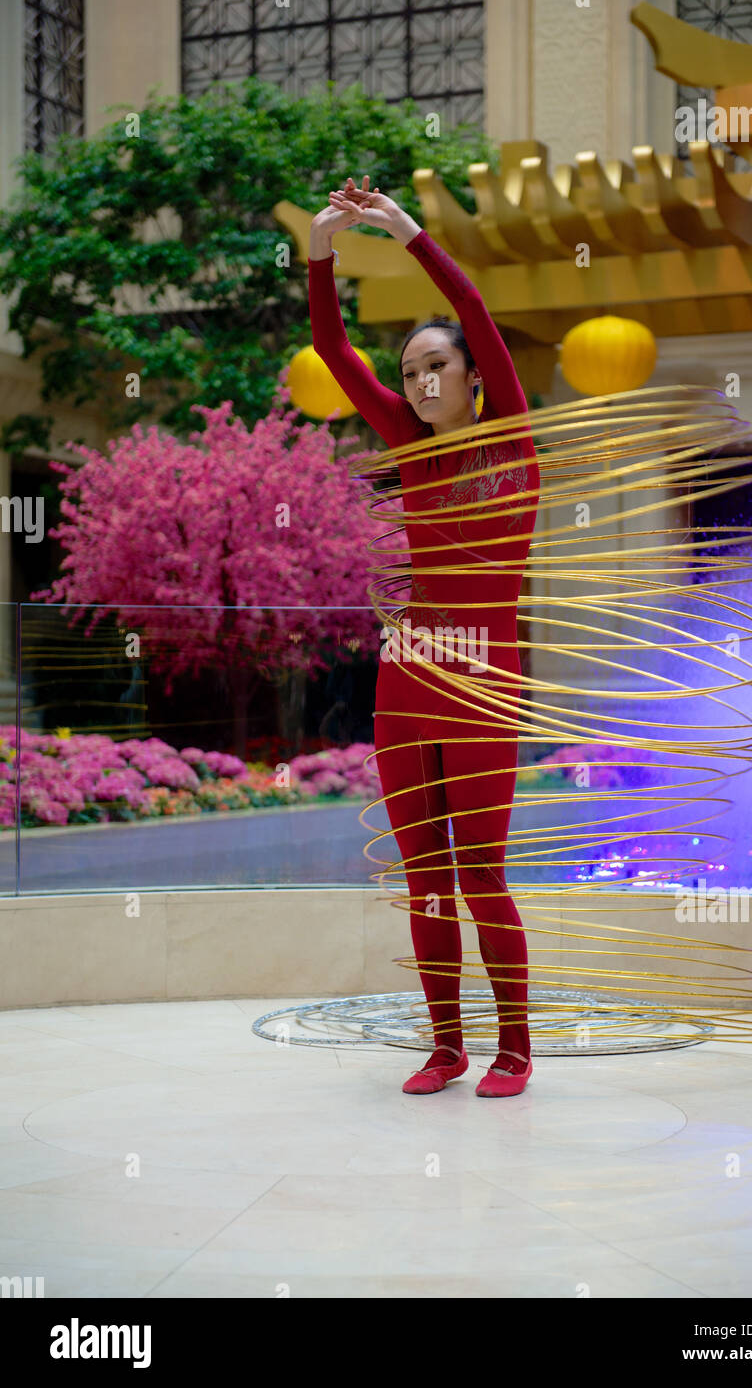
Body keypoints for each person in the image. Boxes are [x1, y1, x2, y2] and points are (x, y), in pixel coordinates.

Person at [307, 175, 540, 1097]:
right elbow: (329, 346)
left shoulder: (512, 437)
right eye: (408, 372)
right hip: (406, 681)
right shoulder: (406, 447)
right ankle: (444, 1045)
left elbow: (474, 305)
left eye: (435, 366)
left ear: (475, 378)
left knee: (480, 871)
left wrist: (403, 229)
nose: (419, 380)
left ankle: (514, 1048)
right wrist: (323, 244)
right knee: (426, 876)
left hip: (485, 681)